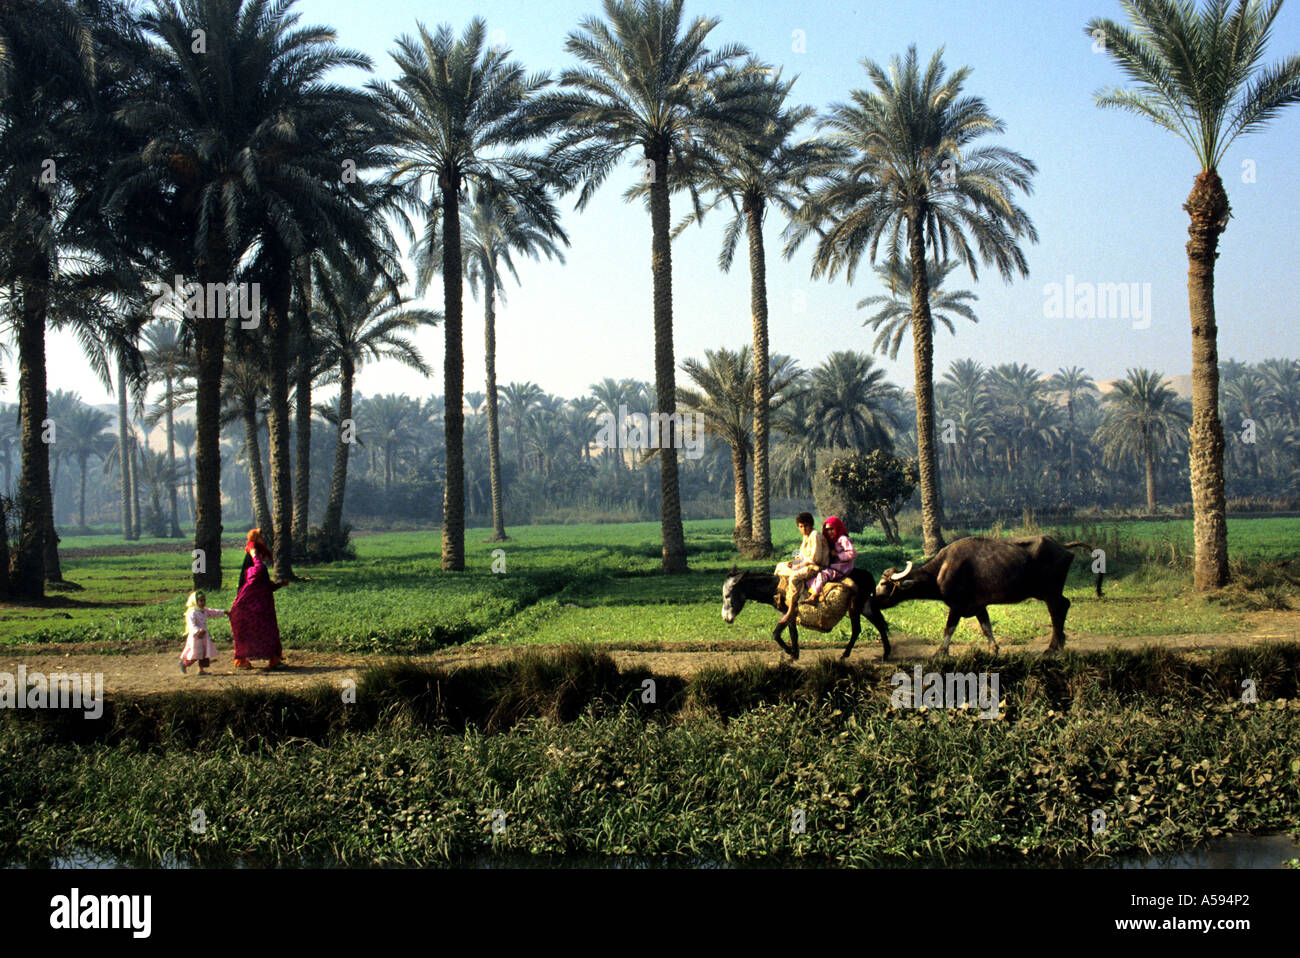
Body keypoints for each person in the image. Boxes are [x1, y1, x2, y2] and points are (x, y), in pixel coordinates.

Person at [229, 529, 287, 670]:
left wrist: (279, 584)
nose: (263, 538)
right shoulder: (253, 568)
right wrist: (254, 552)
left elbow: (265, 587)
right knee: (251, 633)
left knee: (269, 632)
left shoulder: (254, 571)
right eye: (260, 536)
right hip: (250, 608)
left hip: (262, 608)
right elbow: (259, 569)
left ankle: (274, 659)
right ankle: (242, 660)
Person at [774, 512, 829, 626]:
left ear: (811, 525)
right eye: (801, 526)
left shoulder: (815, 535)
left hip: (816, 567)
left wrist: (799, 565)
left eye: (806, 526)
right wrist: (794, 562)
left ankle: (791, 609)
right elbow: (802, 555)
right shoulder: (806, 536)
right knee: (780, 566)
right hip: (806, 564)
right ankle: (783, 596)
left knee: (794, 577)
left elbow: (816, 558)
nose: (803, 529)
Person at [808, 515, 856, 600]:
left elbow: (852, 553)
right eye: (827, 530)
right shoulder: (830, 541)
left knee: (823, 575)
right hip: (835, 566)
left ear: (837, 528)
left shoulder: (843, 539)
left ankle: (814, 596)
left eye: (832, 529)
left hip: (842, 567)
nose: (829, 532)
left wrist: (838, 555)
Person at [180, 590, 225, 675]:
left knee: (204, 654)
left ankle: (201, 670)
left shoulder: (204, 611)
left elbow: (213, 612)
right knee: (195, 654)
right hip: (196, 637)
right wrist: (198, 630)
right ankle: (184, 664)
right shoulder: (192, 613)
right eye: (201, 600)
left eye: (204, 600)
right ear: (195, 601)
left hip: (204, 636)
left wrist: (223, 612)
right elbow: (191, 625)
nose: (203, 602)